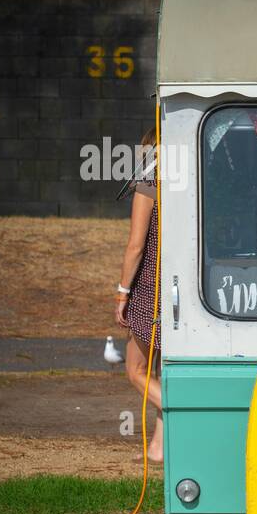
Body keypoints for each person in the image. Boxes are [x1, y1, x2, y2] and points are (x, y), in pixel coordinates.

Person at [114, 129, 163, 464]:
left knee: (135, 369)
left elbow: (136, 245)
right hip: (182, 285)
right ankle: (159, 449)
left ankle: (187, 410)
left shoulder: (150, 180)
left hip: (150, 287)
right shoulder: (190, 174)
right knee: (162, 369)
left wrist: (121, 293)